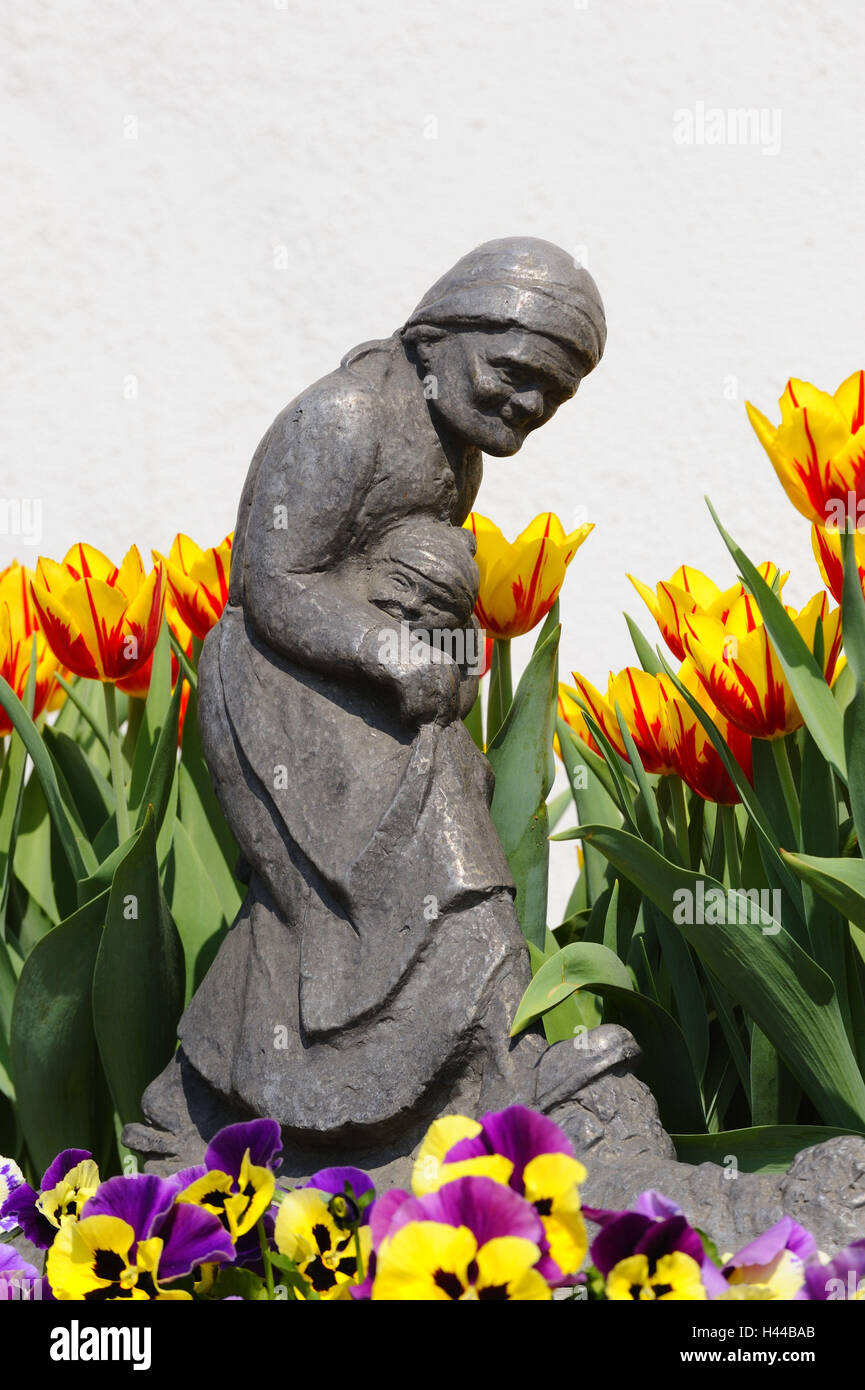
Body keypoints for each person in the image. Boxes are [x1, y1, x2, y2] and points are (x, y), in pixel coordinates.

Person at [126, 237, 639, 1179]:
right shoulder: (344, 417)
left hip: (378, 689)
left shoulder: (450, 447)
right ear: (440, 331)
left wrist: (446, 646)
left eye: (551, 397)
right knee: (388, 890)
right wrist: (389, 649)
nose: (525, 406)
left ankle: (437, 1083)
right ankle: (487, 1077)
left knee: (394, 892)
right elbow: (271, 581)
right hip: (283, 691)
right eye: (514, 373)